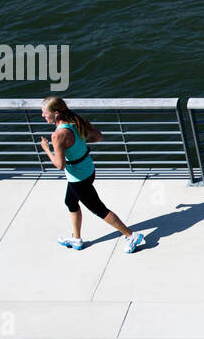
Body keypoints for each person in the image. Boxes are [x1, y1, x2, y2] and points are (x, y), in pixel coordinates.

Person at [38, 96, 144, 253]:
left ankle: (131, 235)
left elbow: (60, 165)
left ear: (56, 113)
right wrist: (78, 144)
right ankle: (76, 238)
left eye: (44, 112)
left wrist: (46, 149)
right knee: (70, 202)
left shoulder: (57, 135)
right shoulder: (75, 122)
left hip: (78, 178)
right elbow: (98, 136)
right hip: (87, 168)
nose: (42, 115)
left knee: (99, 209)